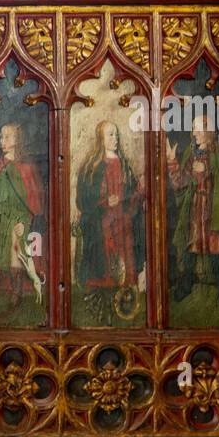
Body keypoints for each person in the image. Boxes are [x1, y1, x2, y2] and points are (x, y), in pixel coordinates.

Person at [166, 113, 219, 313]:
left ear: (208, 133)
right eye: (193, 129)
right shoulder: (191, 156)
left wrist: (208, 170)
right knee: (192, 245)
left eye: (198, 129)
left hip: (215, 211)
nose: (194, 133)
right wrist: (173, 163)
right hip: (196, 208)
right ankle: (186, 284)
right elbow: (179, 184)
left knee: (216, 250)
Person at [75, 119, 145, 318]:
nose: (115, 138)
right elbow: (83, 198)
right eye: (110, 134)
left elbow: (131, 194)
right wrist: (104, 202)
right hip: (102, 224)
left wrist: (137, 192)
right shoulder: (91, 167)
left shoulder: (124, 164)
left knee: (124, 258)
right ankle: (103, 301)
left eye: (116, 134)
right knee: (105, 261)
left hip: (123, 222)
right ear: (101, 139)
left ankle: (122, 299)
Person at [0, 122, 45, 309]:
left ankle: (16, 292)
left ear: (17, 140)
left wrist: (25, 221)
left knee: (16, 254)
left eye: (7, 136)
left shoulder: (26, 169)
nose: (3, 141)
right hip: (0, 217)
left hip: (18, 218)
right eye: (1, 137)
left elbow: (32, 201)